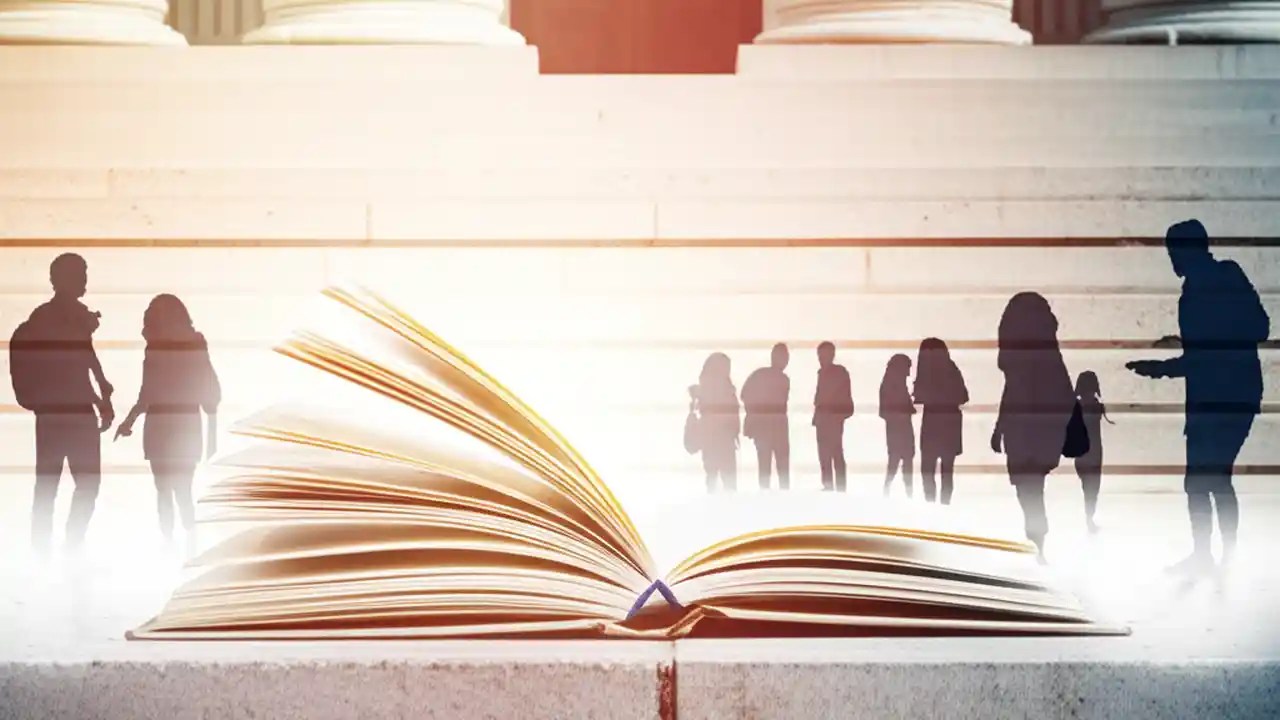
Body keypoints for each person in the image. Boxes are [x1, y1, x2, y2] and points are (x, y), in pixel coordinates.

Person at [1128, 219, 1269, 575]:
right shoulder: (1198, 290)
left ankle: (1223, 557)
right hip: (1217, 396)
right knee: (1204, 479)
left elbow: (1249, 333)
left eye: (1173, 252)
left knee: (1212, 477)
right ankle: (1209, 556)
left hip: (1230, 395)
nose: (1172, 260)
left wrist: (1162, 368)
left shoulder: (1219, 281)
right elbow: (1208, 351)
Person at [9, 253, 114, 556]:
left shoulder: (59, 317)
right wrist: (101, 396)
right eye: (79, 274)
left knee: (54, 485)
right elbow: (76, 363)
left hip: (60, 413)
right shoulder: (55, 319)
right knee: (67, 485)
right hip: (67, 413)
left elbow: (83, 360)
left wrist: (101, 394)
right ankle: (60, 548)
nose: (84, 280)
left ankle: (55, 548)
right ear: (61, 279)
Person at [115, 294, 221, 550]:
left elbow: (147, 394)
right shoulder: (190, 344)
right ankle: (185, 543)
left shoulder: (162, 347)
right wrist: (212, 434)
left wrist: (129, 420)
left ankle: (174, 544)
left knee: (166, 490)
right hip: (181, 424)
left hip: (165, 426)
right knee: (179, 490)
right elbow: (209, 390)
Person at [991, 292, 1075, 564]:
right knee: (1030, 487)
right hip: (1035, 430)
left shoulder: (1026, 357)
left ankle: (1036, 542)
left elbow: (1014, 390)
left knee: (1028, 488)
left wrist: (1002, 427)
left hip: (1026, 431)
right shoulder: (1046, 355)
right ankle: (1037, 542)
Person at [913, 338, 969, 505]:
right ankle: (944, 505)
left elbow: (920, 397)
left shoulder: (927, 374)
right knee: (946, 472)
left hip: (932, 425)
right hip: (950, 425)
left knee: (928, 471)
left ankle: (932, 505)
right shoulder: (951, 369)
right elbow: (963, 396)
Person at [742, 343, 791, 490]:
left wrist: (753, 413)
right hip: (774, 427)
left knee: (767, 465)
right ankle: (780, 494)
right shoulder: (782, 379)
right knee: (779, 466)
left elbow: (744, 395)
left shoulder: (760, 375)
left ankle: (768, 494)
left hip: (768, 427)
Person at [689, 352, 740, 492]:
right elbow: (733, 413)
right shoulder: (726, 390)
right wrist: (735, 432)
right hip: (724, 441)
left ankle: (714, 501)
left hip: (711, 441)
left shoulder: (704, 388)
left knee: (712, 478)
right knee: (727, 482)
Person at [1073, 371, 1112, 534]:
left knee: (1087, 487)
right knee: (1092, 488)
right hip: (1094, 453)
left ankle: (1089, 517)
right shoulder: (1096, 406)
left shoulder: (1076, 406)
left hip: (1081, 453)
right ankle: (1089, 517)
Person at [813, 341, 853, 492]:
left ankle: (836, 486)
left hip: (832, 419)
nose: (820, 358)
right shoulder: (825, 373)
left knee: (834, 452)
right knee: (828, 454)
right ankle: (831, 485)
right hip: (826, 419)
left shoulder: (837, 373)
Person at [878, 354, 915, 498]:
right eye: (907, 368)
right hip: (898, 429)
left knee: (901, 460)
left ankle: (902, 491)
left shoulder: (894, 384)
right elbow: (885, 411)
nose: (908, 373)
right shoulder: (891, 386)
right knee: (897, 460)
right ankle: (891, 489)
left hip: (900, 428)